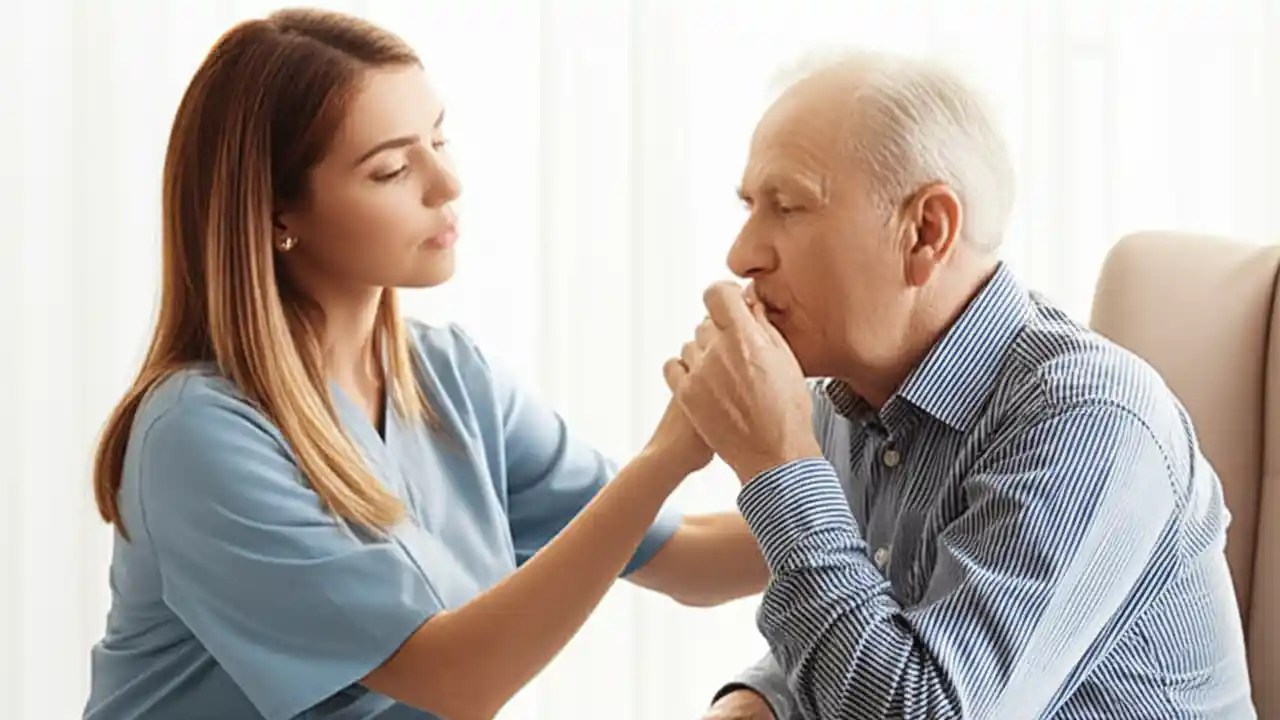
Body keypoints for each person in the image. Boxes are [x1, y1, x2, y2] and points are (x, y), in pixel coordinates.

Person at [83, 9, 768, 720]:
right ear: (278, 214)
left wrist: (879, 487)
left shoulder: (449, 380)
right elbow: (454, 679)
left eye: (438, 139)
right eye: (392, 168)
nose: (447, 183)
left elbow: (689, 559)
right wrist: (668, 452)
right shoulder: (198, 435)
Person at [681, 51, 1256, 719]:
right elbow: (863, 629)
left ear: (927, 231)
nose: (741, 255)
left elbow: (923, 708)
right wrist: (760, 701)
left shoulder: (1087, 421)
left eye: (786, 206)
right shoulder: (849, 403)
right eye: (751, 206)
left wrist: (780, 461)